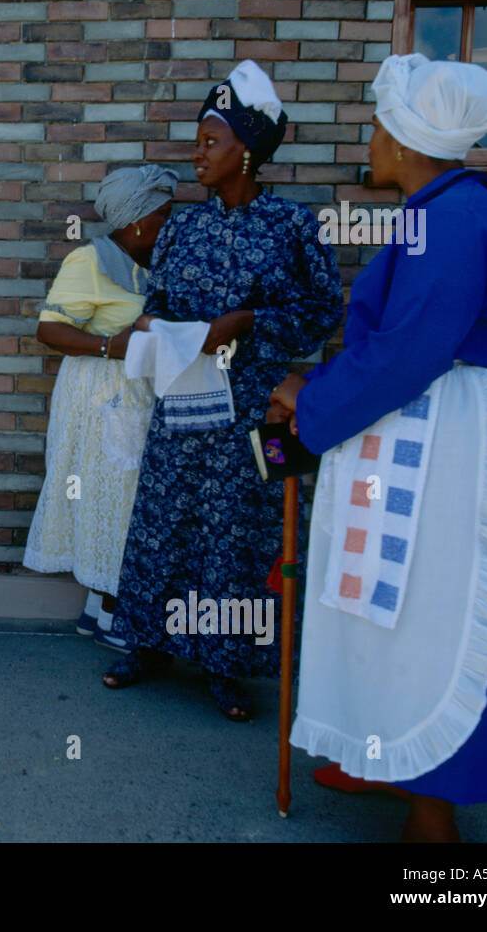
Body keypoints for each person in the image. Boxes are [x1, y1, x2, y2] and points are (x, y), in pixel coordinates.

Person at [269, 54, 487, 842]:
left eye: (375, 125)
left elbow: (407, 353)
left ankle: (434, 819)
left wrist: (312, 399)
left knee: (433, 615)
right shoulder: (454, 209)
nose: (369, 139)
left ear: (402, 139)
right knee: (392, 611)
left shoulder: (453, 220)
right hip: (430, 432)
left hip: (450, 445)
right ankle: (390, 754)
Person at [102, 61, 344, 721]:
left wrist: (253, 322)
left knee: (246, 533)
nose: (196, 154)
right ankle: (145, 644)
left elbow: (324, 311)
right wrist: (170, 328)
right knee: (163, 522)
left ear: (247, 151)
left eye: (210, 142)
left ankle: (228, 667)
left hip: (262, 410)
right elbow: (156, 306)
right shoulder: (183, 227)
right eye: (197, 141)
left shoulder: (293, 227)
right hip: (184, 404)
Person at [23, 165, 175, 649]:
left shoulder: (151, 259)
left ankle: (96, 608)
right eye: (163, 215)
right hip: (102, 397)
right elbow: (49, 330)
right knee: (116, 502)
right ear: (137, 220)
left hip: (129, 395)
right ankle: (115, 618)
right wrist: (116, 344)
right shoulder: (89, 260)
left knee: (118, 500)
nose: (169, 224)